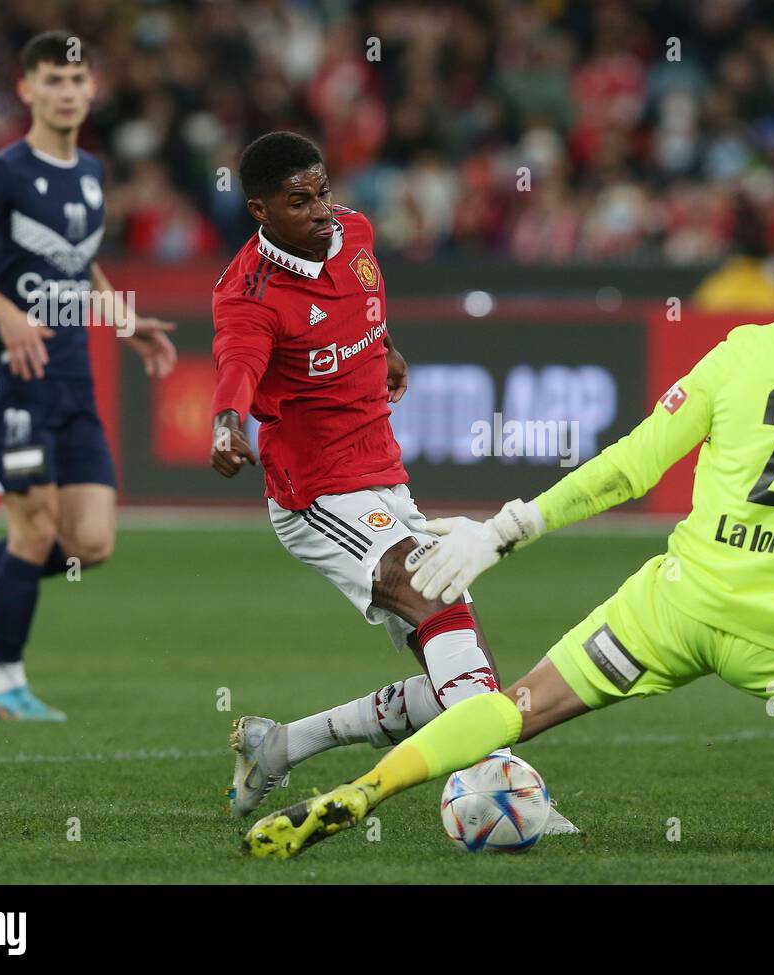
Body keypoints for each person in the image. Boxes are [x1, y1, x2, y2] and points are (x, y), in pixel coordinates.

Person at [239, 199, 774, 859]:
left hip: (674, 607)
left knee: (516, 705)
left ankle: (362, 789)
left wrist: (504, 529)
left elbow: (630, 467)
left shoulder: (741, 352)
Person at [209, 131, 575, 834]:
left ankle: (283, 743)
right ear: (260, 209)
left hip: (383, 471)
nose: (321, 211)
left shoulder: (356, 232)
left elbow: (364, 305)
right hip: (315, 492)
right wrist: (227, 424)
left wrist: (386, 348)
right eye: (298, 200)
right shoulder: (248, 293)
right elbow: (237, 367)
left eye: (323, 191)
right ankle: (496, 780)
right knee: (430, 586)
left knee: (465, 684)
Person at [0, 31, 177, 721]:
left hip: (73, 384)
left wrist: (123, 319)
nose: (66, 92)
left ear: (93, 89)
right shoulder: (1, 172)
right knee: (34, 533)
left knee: (89, 542)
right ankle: (4, 683)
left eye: (76, 79)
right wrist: (7, 314)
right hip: (15, 381)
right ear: (27, 89)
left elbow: (77, 262)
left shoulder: (91, 172)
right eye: (51, 80)